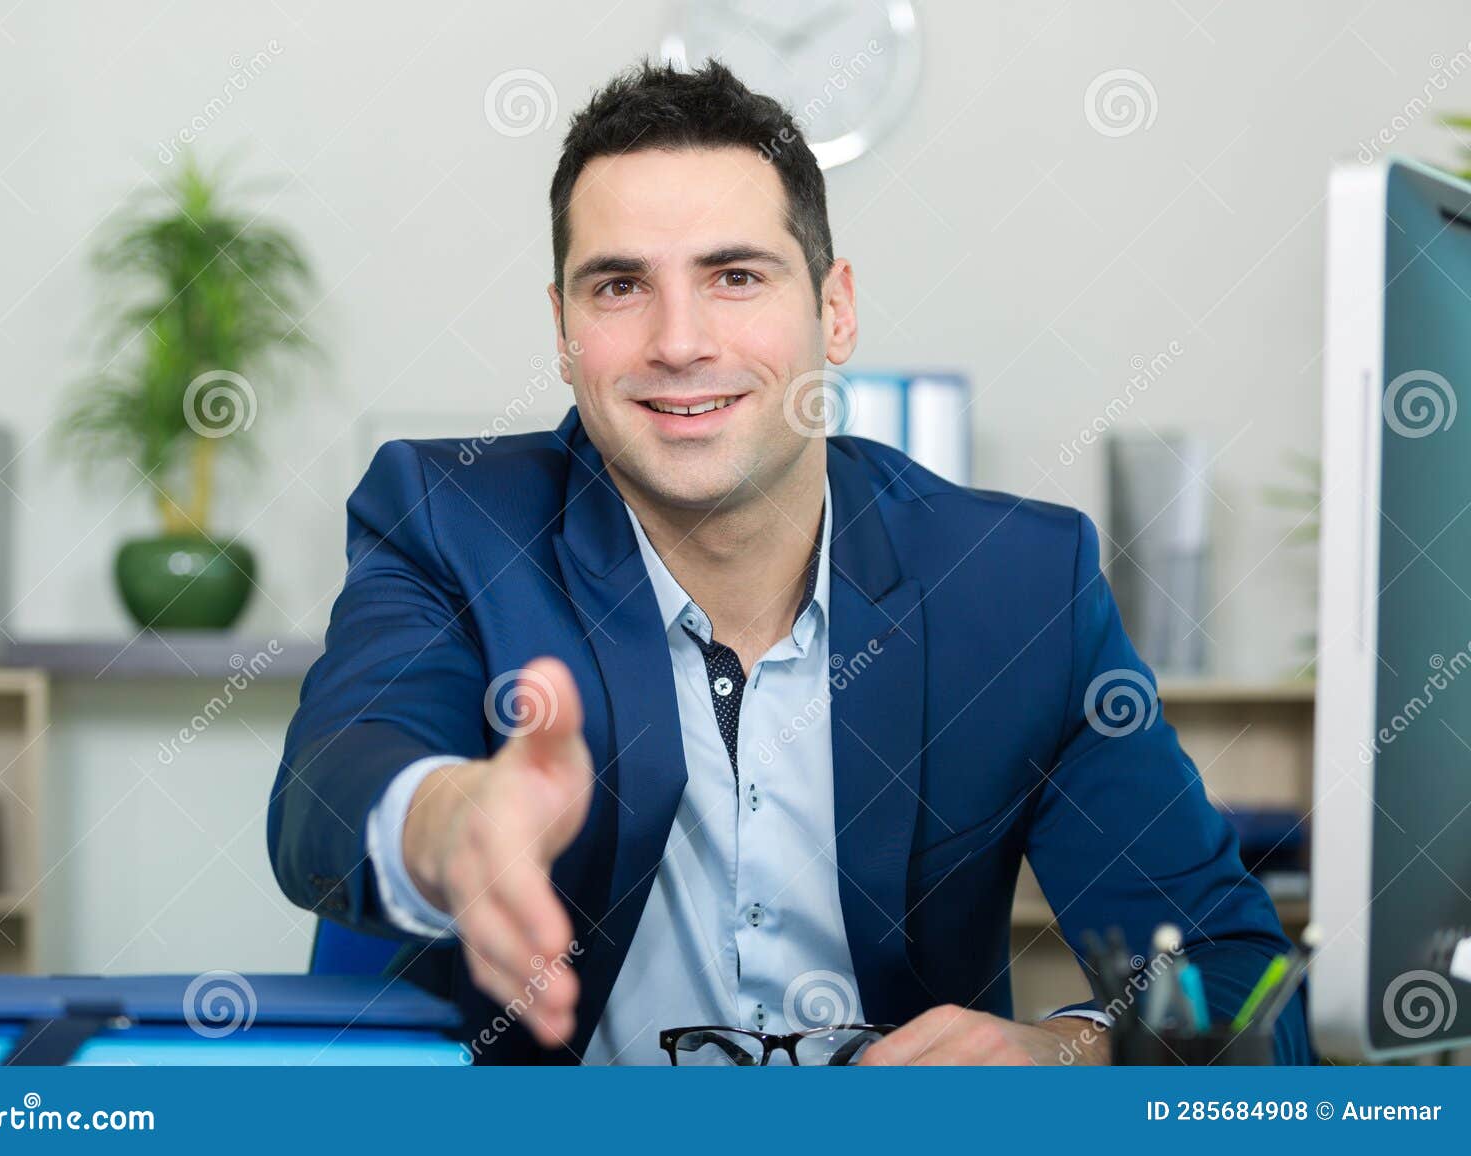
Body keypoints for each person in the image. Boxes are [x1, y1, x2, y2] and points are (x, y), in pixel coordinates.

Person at [268, 58, 1311, 1066]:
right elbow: (331, 784)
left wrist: (1069, 1050)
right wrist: (451, 821)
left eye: (734, 275)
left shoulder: (1017, 586)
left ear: (835, 307)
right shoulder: (451, 523)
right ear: (563, 329)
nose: (679, 341)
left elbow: (1237, 973)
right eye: (619, 285)